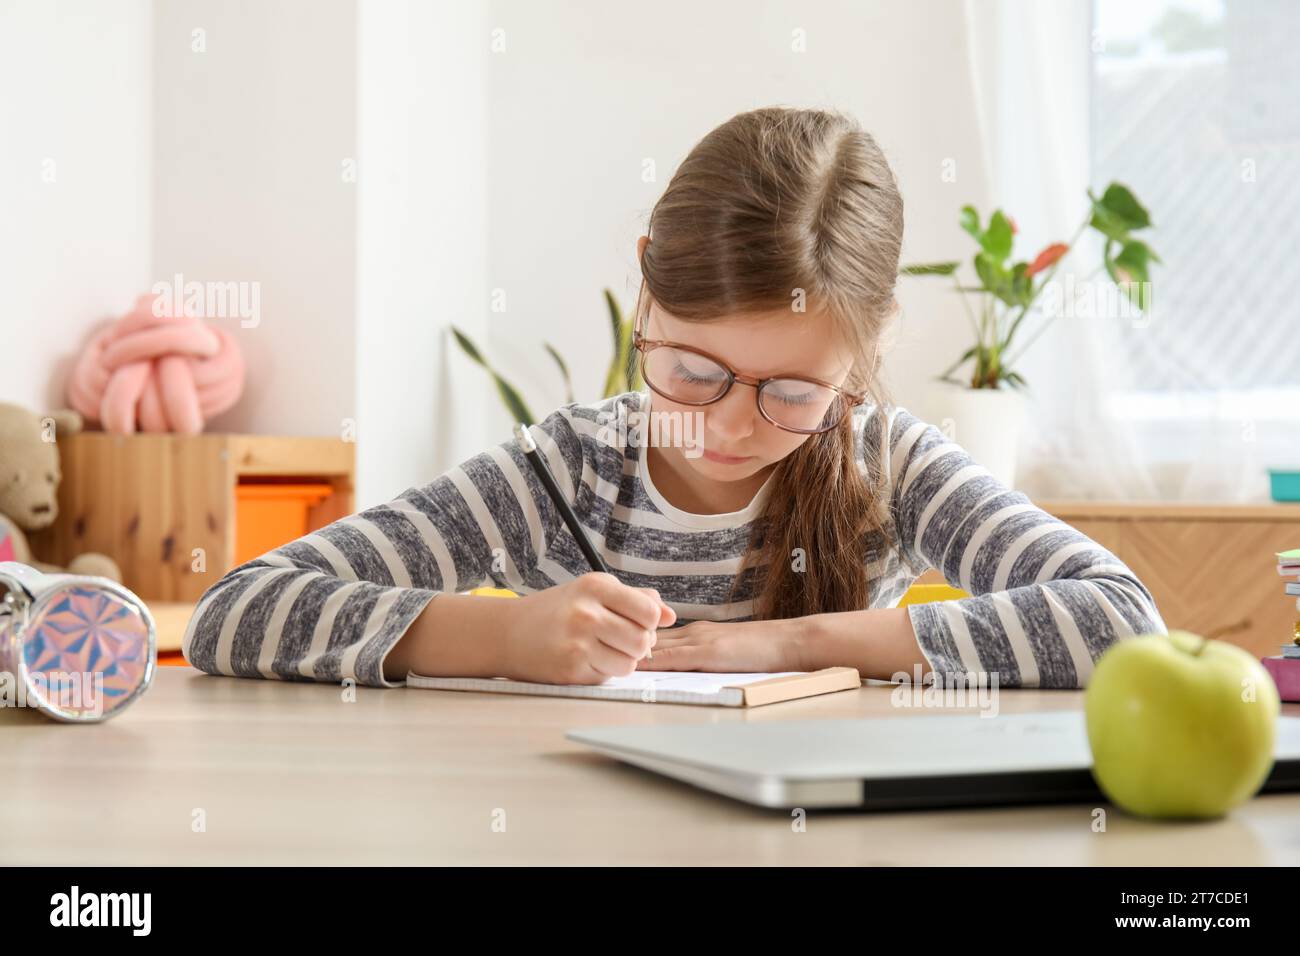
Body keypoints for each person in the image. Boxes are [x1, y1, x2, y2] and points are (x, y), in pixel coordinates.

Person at [183, 106, 1165, 691]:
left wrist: (796, 643)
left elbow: (1120, 618)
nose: (730, 424)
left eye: (789, 390)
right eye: (692, 371)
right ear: (644, 291)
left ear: (866, 354)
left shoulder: (890, 463)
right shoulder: (563, 469)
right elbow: (236, 612)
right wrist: (506, 635)